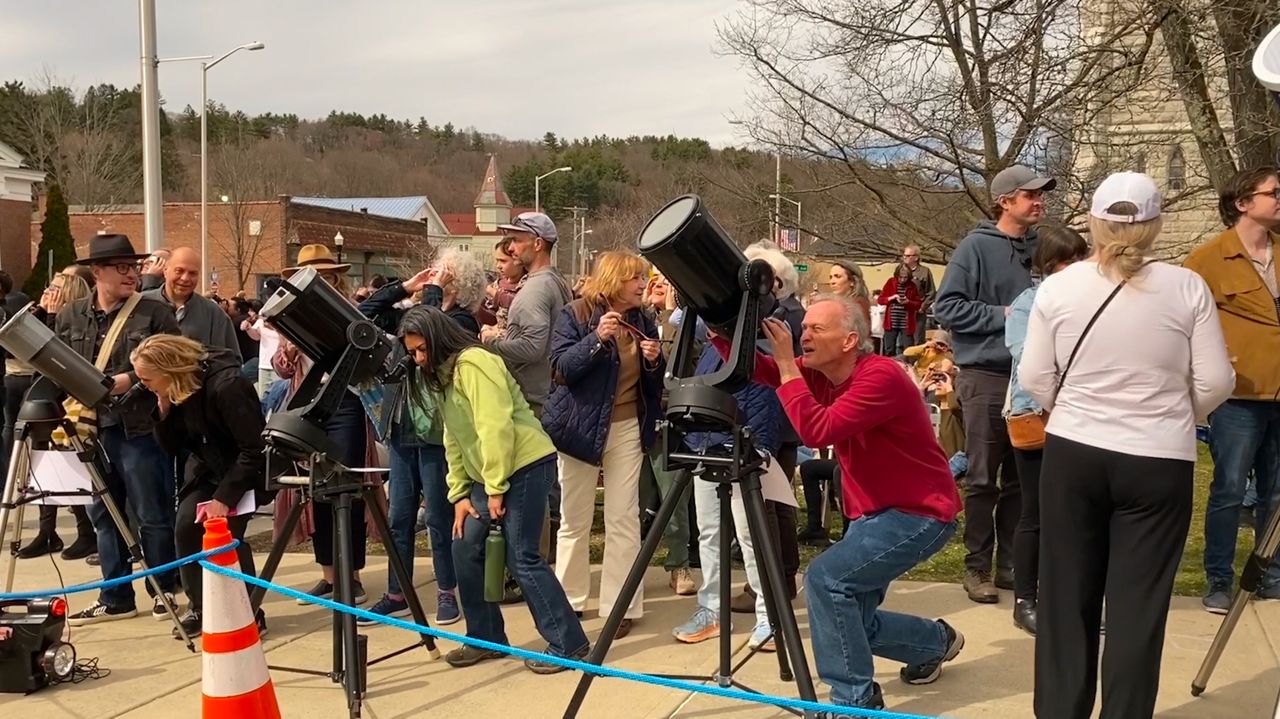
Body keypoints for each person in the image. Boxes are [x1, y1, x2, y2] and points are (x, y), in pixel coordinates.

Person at [1019, 172, 1234, 719]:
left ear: (1093, 223)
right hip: (1158, 457)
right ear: (1155, 226)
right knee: (1139, 607)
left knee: (1066, 597)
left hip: (1075, 451)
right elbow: (1215, 382)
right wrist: (1175, 415)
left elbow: (1038, 378)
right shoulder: (1187, 287)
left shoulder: (1059, 287)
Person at [733, 295, 963, 711]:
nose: (804, 334)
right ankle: (934, 642)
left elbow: (817, 430)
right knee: (847, 623)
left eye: (817, 328)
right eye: (805, 327)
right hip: (871, 513)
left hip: (918, 512)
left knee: (825, 579)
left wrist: (787, 366)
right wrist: (720, 325)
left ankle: (853, 701)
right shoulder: (824, 372)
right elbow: (761, 370)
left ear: (850, 340)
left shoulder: (881, 377)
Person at [398, 305, 589, 671]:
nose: (418, 358)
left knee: (521, 555)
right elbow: (453, 438)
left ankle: (570, 643)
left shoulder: (474, 364)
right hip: (490, 475)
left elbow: (495, 426)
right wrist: (458, 495)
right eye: (412, 352)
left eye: (423, 349)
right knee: (464, 544)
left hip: (525, 465)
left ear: (438, 339)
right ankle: (485, 639)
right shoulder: (440, 376)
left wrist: (496, 488)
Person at [934, 164, 1051, 603]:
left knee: (1024, 480)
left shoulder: (1045, 247)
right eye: (1030, 195)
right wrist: (1004, 315)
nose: (1038, 202)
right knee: (983, 478)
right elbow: (947, 307)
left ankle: (1012, 565)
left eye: (1041, 195)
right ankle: (977, 567)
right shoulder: (975, 248)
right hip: (985, 375)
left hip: (1032, 378)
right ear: (1005, 201)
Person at [357, 249, 486, 625]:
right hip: (402, 430)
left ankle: (448, 591)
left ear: (457, 283)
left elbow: (433, 334)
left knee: (439, 516)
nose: (433, 277)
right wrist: (404, 287)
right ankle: (397, 592)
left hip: (436, 433)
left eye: (442, 274)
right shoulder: (412, 314)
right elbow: (363, 318)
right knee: (398, 517)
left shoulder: (462, 321)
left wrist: (432, 294)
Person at [58, 234, 182, 626]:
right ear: (97, 272)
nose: (132, 274)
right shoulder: (70, 315)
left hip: (138, 428)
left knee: (151, 512)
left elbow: (172, 362)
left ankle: (162, 590)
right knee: (103, 515)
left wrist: (134, 379)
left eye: (134, 266)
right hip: (90, 430)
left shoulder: (154, 313)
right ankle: (115, 596)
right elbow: (56, 366)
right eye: (122, 267)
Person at [544, 251, 664, 639]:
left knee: (623, 519)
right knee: (574, 517)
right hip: (579, 428)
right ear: (614, 280)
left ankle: (621, 605)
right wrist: (597, 340)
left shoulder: (644, 319)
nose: (642, 284)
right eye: (635, 278)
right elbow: (561, 369)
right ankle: (569, 599)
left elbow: (654, 385)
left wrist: (653, 361)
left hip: (628, 426)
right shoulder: (576, 314)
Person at [1184, 166, 1280, 612]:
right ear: (1243, 203)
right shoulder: (1207, 260)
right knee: (1228, 490)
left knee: (1276, 495)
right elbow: (1184, 324)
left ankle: (1271, 575)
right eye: (1274, 192)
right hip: (1237, 399)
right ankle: (1219, 580)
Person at [131, 334, 269, 639]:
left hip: (243, 469)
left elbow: (254, 449)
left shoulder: (228, 385)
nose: (144, 384)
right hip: (208, 466)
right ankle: (200, 606)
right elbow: (172, 446)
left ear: (169, 370)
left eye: (147, 378)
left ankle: (250, 611)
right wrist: (163, 410)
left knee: (227, 533)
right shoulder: (178, 388)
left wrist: (224, 497)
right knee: (186, 526)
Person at [1003, 226, 1089, 636]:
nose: (1078, 267)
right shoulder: (1029, 303)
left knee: (1077, 513)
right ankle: (1026, 600)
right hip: (1036, 414)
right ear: (1051, 265)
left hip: (1086, 418)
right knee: (1035, 512)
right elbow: (1027, 358)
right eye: (1070, 260)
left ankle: (1069, 599)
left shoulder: (1096, 300)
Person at [278, 245, 373, 605]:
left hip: (345, 403)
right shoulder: (291, 316)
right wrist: (285, 354)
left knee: (345, 484)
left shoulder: (348, 313)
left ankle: (353, 576)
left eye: (324, 275)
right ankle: (328, 576)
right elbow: (283, 367)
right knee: (316, 487)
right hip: (309, 404)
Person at [670, 341, 780, 651]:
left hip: (742, 450)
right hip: (706, 448)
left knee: (750, 536)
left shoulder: (758, 342)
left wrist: (758, 448)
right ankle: (712, 611)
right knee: (709, 534)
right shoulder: (709, 347)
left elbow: (763, 398)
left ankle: (767, 616)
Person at [10, 269, 96, 560]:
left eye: (56, 288)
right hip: (41, 400)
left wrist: (50, 317)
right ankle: (47, 531)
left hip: (66, 403)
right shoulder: (41, 314)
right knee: (41, 468)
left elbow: (55, 355)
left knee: (71, 468)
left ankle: (86, 532)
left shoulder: (72, 320)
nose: (49, 292)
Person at [144, 247, 241, 362]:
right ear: (165, 271)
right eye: (179, 271)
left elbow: (231, 362)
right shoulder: (141, 305)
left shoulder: (214, 315)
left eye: (192, 273)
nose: (185, 278)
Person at [878, 263, 923, 357]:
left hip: (906, 323)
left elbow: (918, 304)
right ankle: (889, 369)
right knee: (889, 349)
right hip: (891, 322)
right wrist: (891, 298)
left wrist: (908, 302)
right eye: (900, 277)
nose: (902, 280)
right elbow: (880, 300)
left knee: (908, 350)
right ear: (897, 275)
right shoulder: (891, 282)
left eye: (905, 277)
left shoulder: (912, 285)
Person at [902, 245, 937, 344]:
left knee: (917, 340)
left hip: (917, 313)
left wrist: (923, 307)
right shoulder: (900, 270)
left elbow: (931, 292)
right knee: (902, 342)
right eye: (904, 255)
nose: (905, 257)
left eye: (908, 255)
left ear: (916, 257)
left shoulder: (924, 272)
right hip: (902, 313)